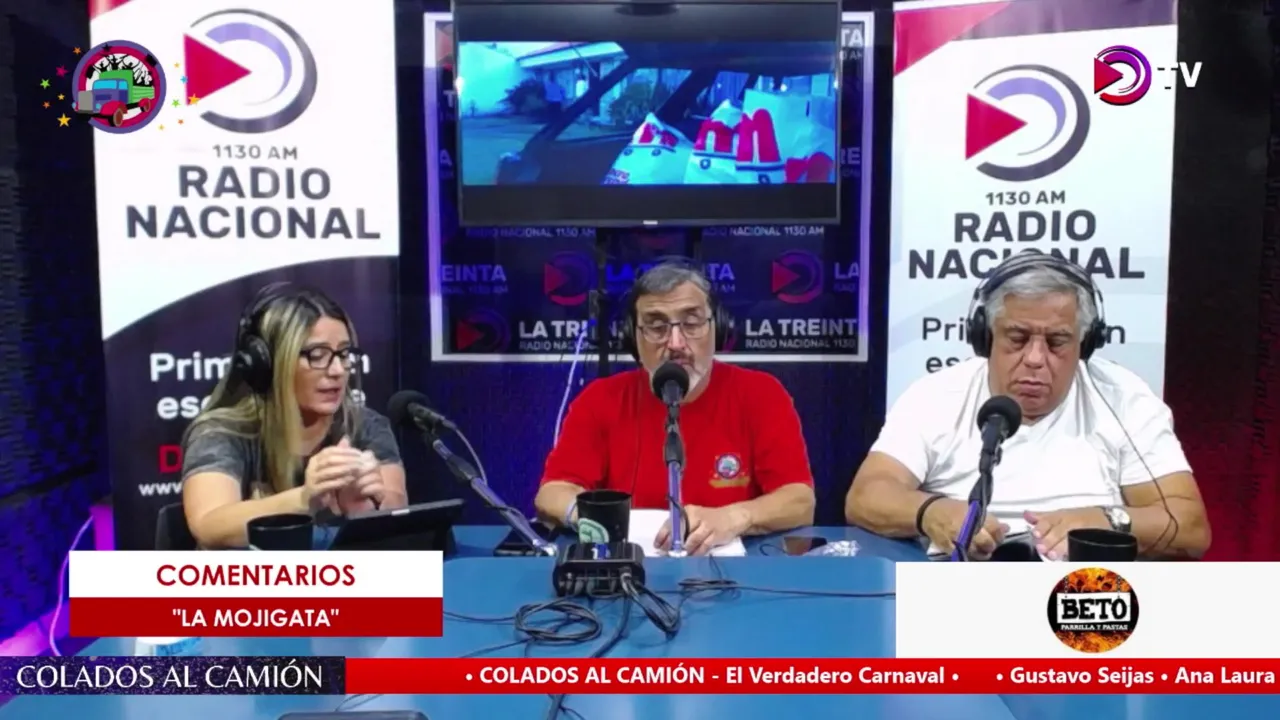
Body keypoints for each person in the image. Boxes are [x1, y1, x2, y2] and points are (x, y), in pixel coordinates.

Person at [846, 253, 1211, 561]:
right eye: (1018, 338)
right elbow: (865, 497)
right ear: (985, 336)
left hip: (1082, 598)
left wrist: (1105, 520)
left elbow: (1189, 526)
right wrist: (932, 512)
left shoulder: (1124, 399)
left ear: (1085, 344)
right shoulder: (935, 396)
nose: (1035, 358)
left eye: (1057, 342)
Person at [534, 259, 815, 555]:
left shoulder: (761, 394)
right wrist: (595, 519)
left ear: (717, 327)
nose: (676, 343)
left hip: (734, 574)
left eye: (691, 324)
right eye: (656, 327)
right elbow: (551, 494)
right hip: (632, 571)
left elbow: (799, 501)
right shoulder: (600, 400)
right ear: (633, 336)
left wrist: (734, 517)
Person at [181, 283, 408, 549]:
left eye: (344, 354)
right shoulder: (222, 432)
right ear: (270, 363)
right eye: (317, 355)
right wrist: (304, 500)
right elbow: (209, 525)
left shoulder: (365, 426)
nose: (337, 370)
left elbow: (398, 505)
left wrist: (366, 509)